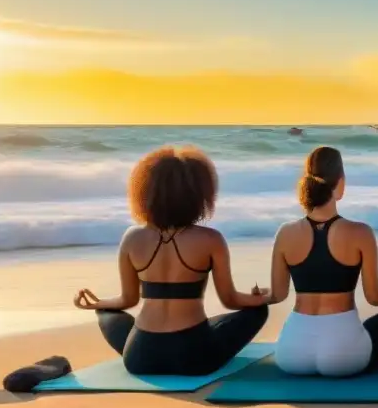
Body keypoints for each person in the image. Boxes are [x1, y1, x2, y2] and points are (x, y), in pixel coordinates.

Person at [73, 146, 269, 375]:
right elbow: (231, 300)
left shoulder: (132, 237)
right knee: (257, 312)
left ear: (145, 193)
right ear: (199, 195)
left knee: (108, 312)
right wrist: (262, 298)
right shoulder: (211, 240)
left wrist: (97, 304)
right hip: (194, 357)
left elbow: (127, 299)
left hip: (139, 357)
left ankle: (121, 328)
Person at [269, 147, 378, 376]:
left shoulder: (285, 233)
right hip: (343, 356)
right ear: (340, 183)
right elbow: (375, 298)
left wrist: (253, 298)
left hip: (291, 353)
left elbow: (277, 295)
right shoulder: (360, 232)